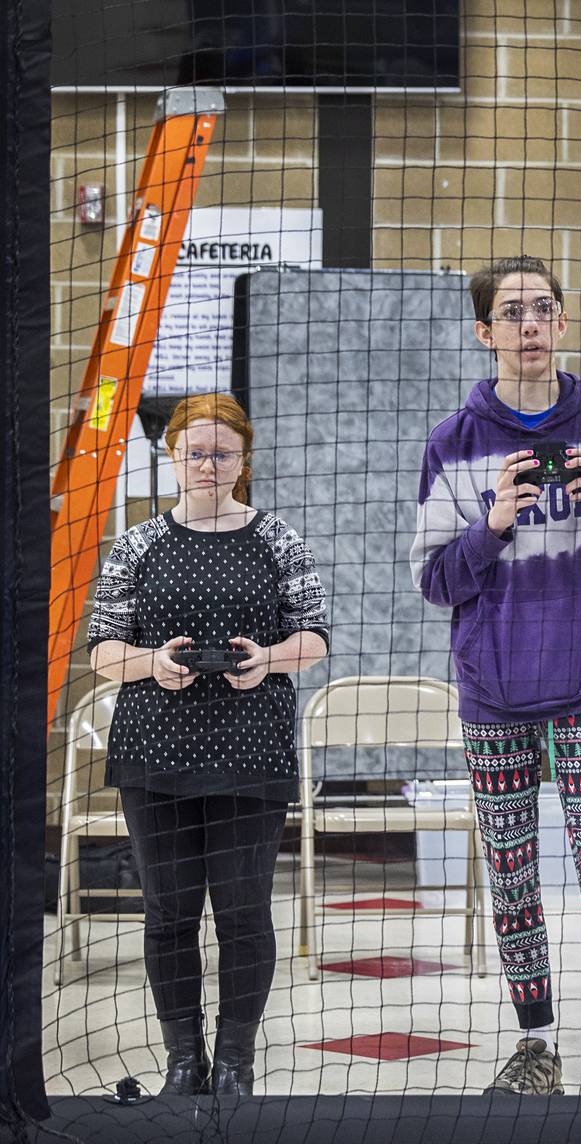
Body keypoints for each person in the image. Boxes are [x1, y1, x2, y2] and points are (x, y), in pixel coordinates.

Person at [411, 256, 581, 1097]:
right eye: (512, 311)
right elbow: (434, 583)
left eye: (543, 308)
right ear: (485, 332)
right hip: (491, 695)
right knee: (512, 873)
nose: (529, 323)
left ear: (563, 325)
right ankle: (537, 1047)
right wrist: (490, 524)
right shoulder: (453, 444)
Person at [87, 393, 329, 1097]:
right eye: (194, 452)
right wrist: (152, 664)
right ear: (172, 458)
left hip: (249, 753)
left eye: (222, 452)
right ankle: (183, 1062)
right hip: (153, 751)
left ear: (244, 460)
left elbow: (314, 637)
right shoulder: (138, 542)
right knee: (168, 914)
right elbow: (102, 647)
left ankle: (234, 1066)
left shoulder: (277, 538)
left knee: (244, 912)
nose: (207, 464)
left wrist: (269, 660)